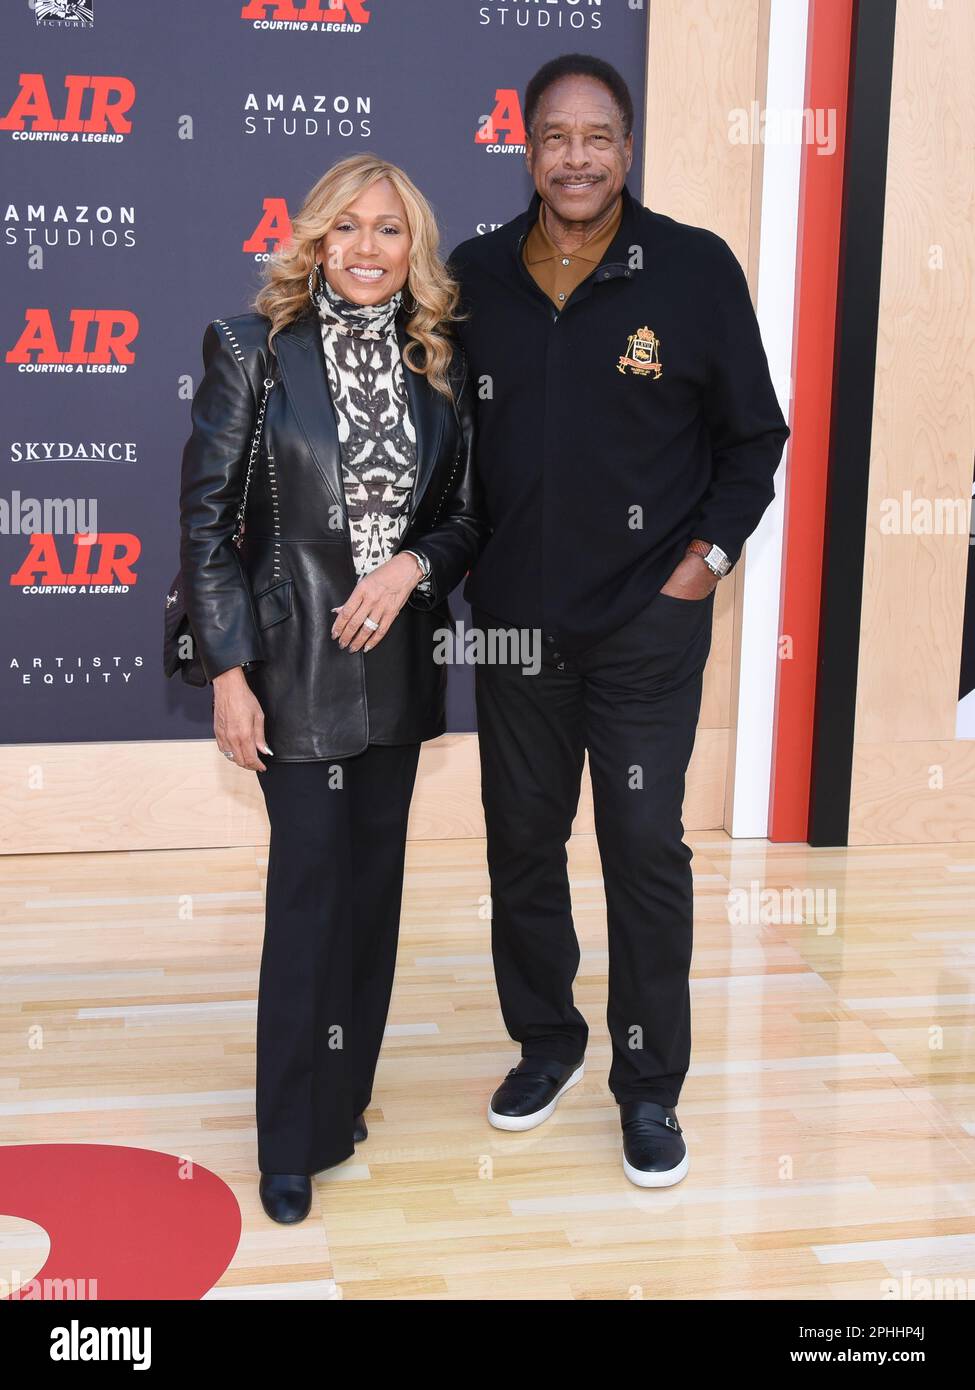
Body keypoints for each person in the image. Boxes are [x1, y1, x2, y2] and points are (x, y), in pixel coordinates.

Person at [447, 55, 790, 1187]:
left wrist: (704, 561)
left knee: (645, 850)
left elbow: (755, 441)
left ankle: (648, 1088)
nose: (578, 156)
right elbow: (443, 449)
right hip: (514, 630)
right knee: (522, 846)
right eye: (555, 136)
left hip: (648, 625)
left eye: (599, 135)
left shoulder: (692, 270)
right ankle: (546, 1042)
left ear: (627, 149)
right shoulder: (477, 276)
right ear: (527, 146)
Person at [178, 154, 483, 1223]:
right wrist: (227, 670)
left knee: (371, 897)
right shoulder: (250, 350)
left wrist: (413, 568)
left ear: (416, 249)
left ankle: (343, 1098)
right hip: (293, 671)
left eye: (389, 230)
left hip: (396, 673)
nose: (366, 248)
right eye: (346, 227)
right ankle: (289, 1138)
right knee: (309, 898)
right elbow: (208, 525)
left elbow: (466, 517)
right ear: (314, 239)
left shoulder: (435, 362)